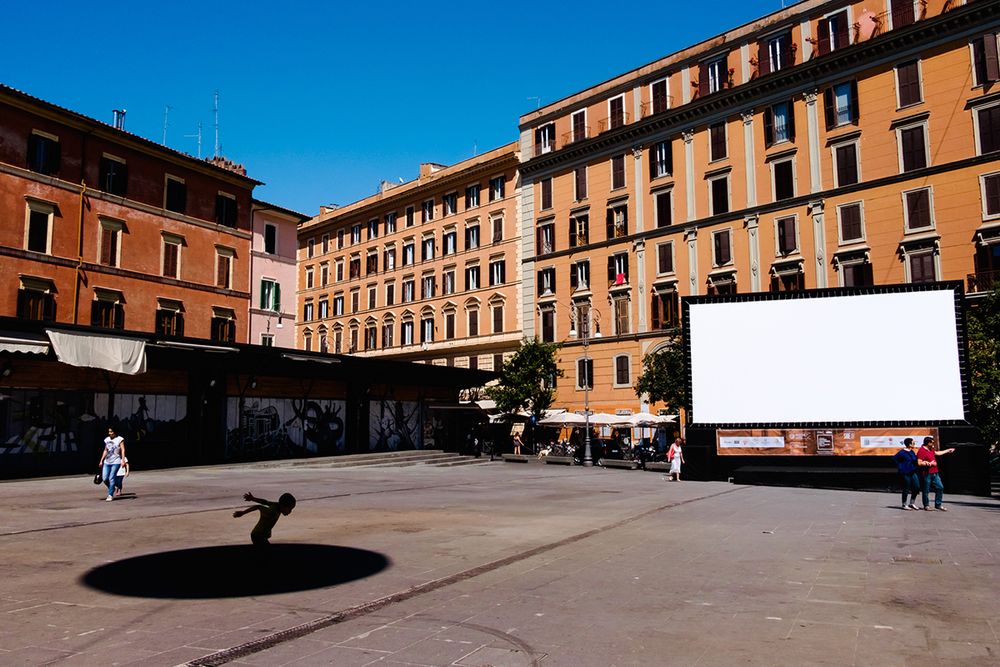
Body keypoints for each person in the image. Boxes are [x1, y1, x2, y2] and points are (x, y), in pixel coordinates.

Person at [916, 436, 955, 511]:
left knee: (940, 487)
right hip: (927, 474)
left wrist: (947, 450)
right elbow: (919, 462)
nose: (933, 444)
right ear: (928, 443)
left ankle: (938, 505)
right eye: (932, 442)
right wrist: (929, 464)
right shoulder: (921, 451)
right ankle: (926, 505)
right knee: (926, 490)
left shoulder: (931, 449)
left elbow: (937, 453)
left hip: (935, 473)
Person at [98, 427, 125, 502]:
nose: (109, 433)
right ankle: (113, 487)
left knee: (111, 477)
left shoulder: (120, 439)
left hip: (116, 461)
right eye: (109, 432)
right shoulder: (107, 439)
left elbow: (122, 450)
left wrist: (123, 460)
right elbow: (105, 450)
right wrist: (101, 460)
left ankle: (110, 495)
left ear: (115, 432)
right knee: (105, 478)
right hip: (107, 461)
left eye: (111, 432)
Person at [892, 438, 919, 510]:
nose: (914, 444)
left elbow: (915, 460)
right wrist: (900, 466)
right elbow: (894, 459)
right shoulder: (902, 452)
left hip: (913, 472)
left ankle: (912, 503)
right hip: (905, 472)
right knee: (906, 488)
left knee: (917, 487)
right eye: (913, 443)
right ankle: (904, 504)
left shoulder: (912, 452)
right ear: (909, 444)